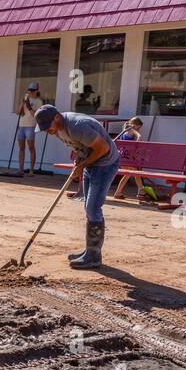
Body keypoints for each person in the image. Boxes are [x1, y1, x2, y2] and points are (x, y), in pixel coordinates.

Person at [35, 104, 120, 270]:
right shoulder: (58, 129)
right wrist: (79, 161)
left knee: (92, 207)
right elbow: (81, 147)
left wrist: (83, 165)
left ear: (57, 117)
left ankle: (94, 257)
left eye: (47, 126)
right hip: (91, 163)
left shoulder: (77, 126)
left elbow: (103, 148)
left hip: (105, 164)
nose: (47, 131)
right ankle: (90, 251)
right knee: (89, 208)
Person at [111, 117, 159, 204]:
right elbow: (139, 137)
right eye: (139, 127)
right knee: (136, 174)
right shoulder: (131, 129)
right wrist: (136, 147)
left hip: (122, 155)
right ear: (135, 125)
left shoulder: (125, 128)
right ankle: (141, 192)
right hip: (127, 156)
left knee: (128, 175)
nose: (139, 129)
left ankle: (118, 193)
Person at [11, 82, 43, 177]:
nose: (30, 92)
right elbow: (18, 113)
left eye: (33, 90)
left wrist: (28, 105)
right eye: (29, 90)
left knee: (31, 148)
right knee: (21, 149)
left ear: (37, 91)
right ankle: (21, 169)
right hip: (21, 126)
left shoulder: (39, 102)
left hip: (31, 126)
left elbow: (35, 115)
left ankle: (31, 170)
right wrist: (23, 103)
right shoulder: (25, 99)